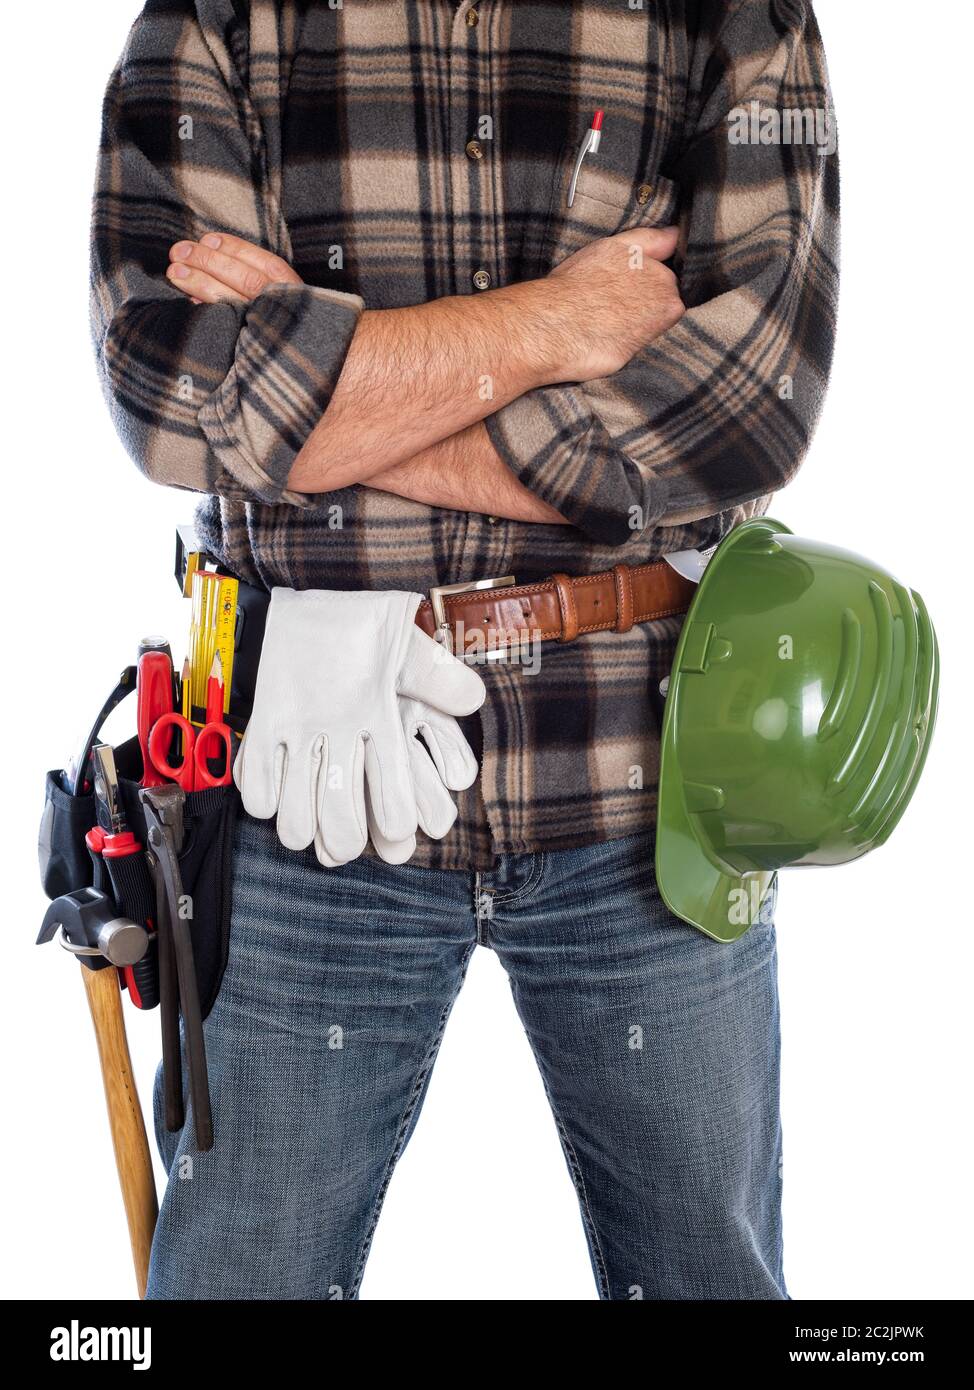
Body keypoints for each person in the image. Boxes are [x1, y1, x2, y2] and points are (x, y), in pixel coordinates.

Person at [91, 0, 839, 1300]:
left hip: (644, 775)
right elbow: (174, 402)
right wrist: (550, 324)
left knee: (709, 1276)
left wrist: (326, 392)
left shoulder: (727, 16)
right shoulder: (216, 16)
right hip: (298, 786)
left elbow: (746, 412)